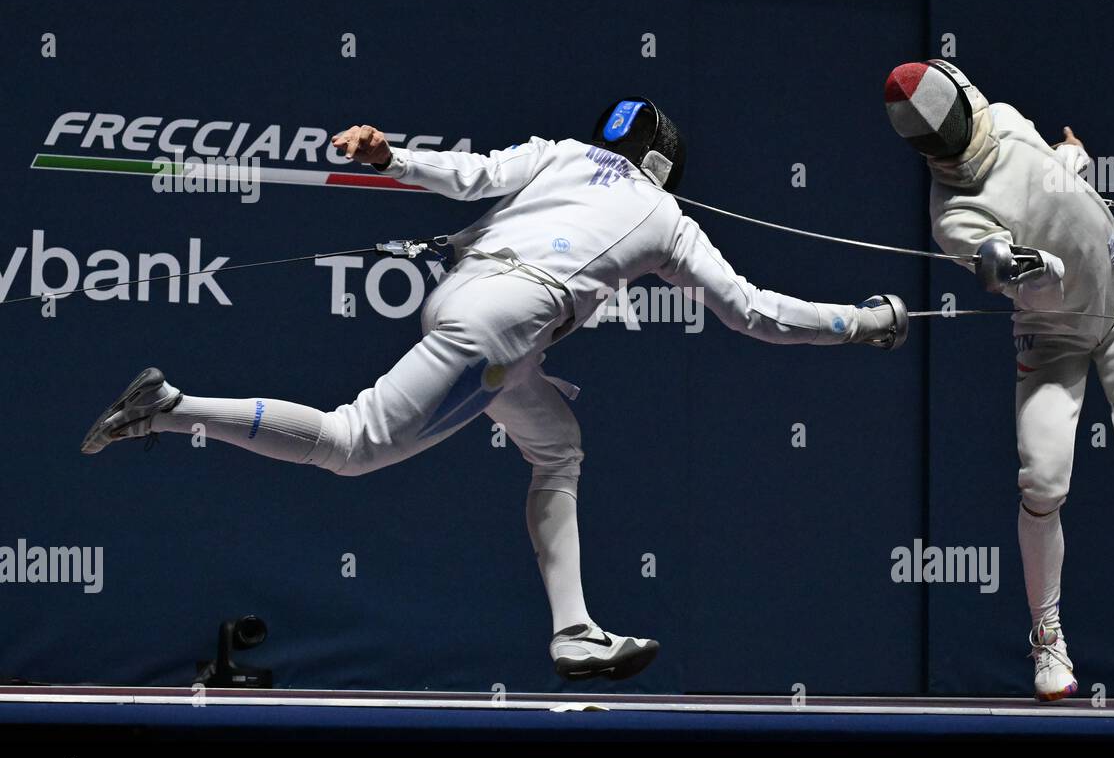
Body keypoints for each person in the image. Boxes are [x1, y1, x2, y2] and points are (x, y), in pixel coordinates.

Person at [81, 97, 908, 682]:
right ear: (664, 166)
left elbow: (469, 175)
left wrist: (389, 157)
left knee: (556, 447)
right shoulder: (666, 217)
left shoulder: (558, 154)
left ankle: (575, 632)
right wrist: (863, 324)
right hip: (502, 328)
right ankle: (173, 405)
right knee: (349, 446)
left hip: (471, 306)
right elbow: (755, 314)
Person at [883, 60, 1114, 701]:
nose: (961, 140)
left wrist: (1070, 157)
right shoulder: (955, 216)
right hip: (1052, 335)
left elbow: (1049, 174)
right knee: (1043, 479)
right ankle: (1047, 639)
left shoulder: (1003, 117)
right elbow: (1042, 287)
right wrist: (1029, 266)